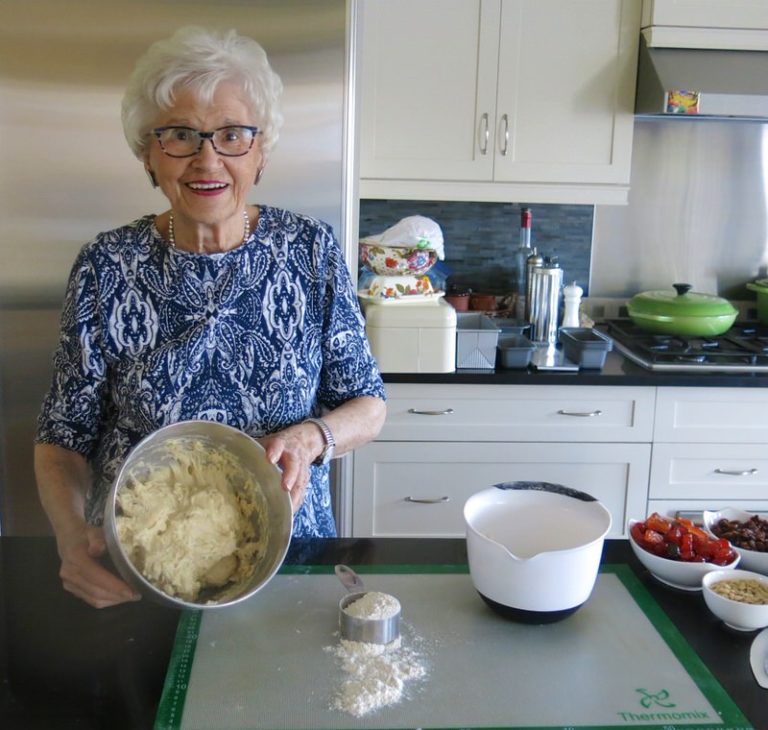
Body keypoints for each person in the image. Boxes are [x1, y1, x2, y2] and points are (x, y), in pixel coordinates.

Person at [34, 26, 386, 609]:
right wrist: (72, 538)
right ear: (148, 152)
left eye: (232, 135)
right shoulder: (105, 265)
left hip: (289, 567)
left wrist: (313, 436)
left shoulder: (311, 251)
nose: (207, 158)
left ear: (262, 150)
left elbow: (369, 405)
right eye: (179, 135)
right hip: (141, 570)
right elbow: (61, 440)